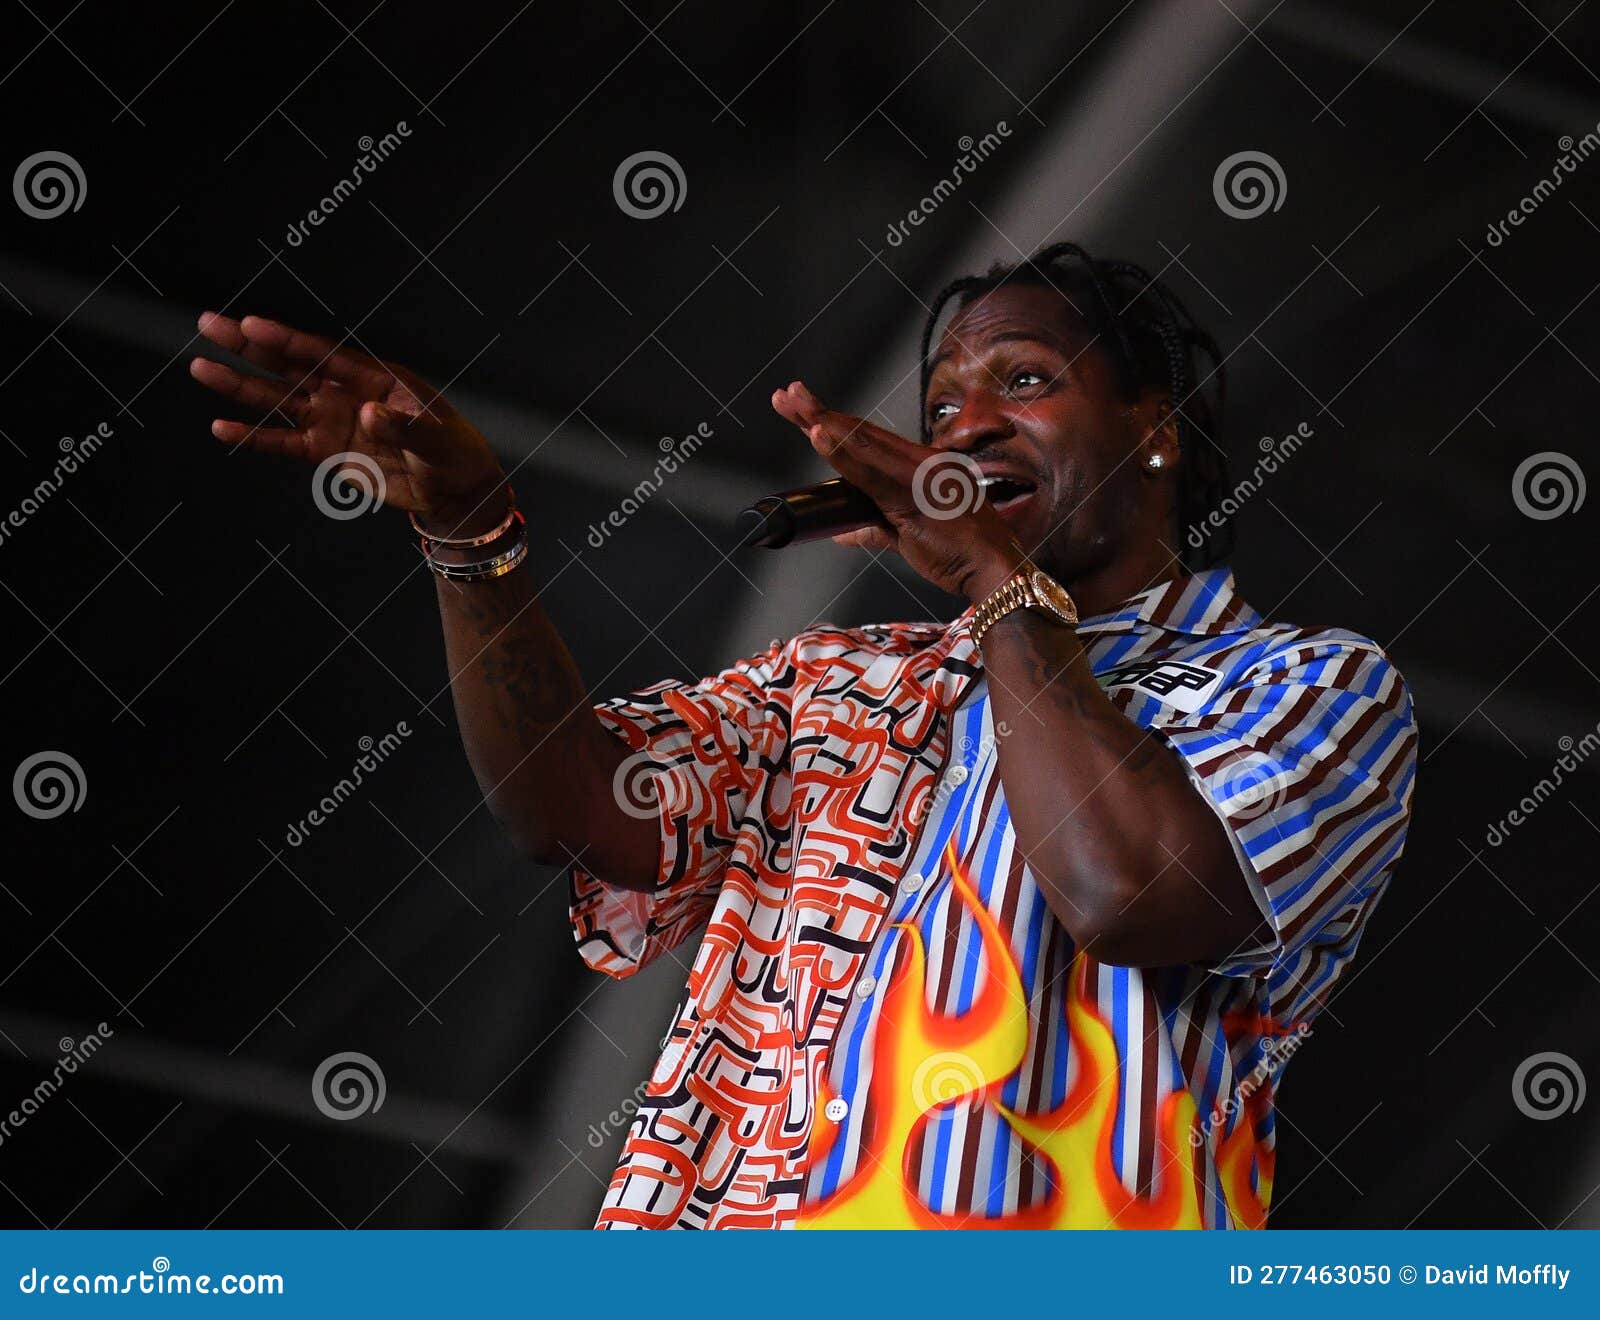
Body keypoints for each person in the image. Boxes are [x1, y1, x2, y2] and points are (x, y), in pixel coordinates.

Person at [190, 241, 1418, 1230]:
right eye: (942, 401)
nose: (968, 424)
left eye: (1024, 380)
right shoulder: (831, 681)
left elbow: (1124, 892)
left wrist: (1000, 589)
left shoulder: (1311, 688)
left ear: (1156, 431)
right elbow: (571, 807)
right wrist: (471, 532)